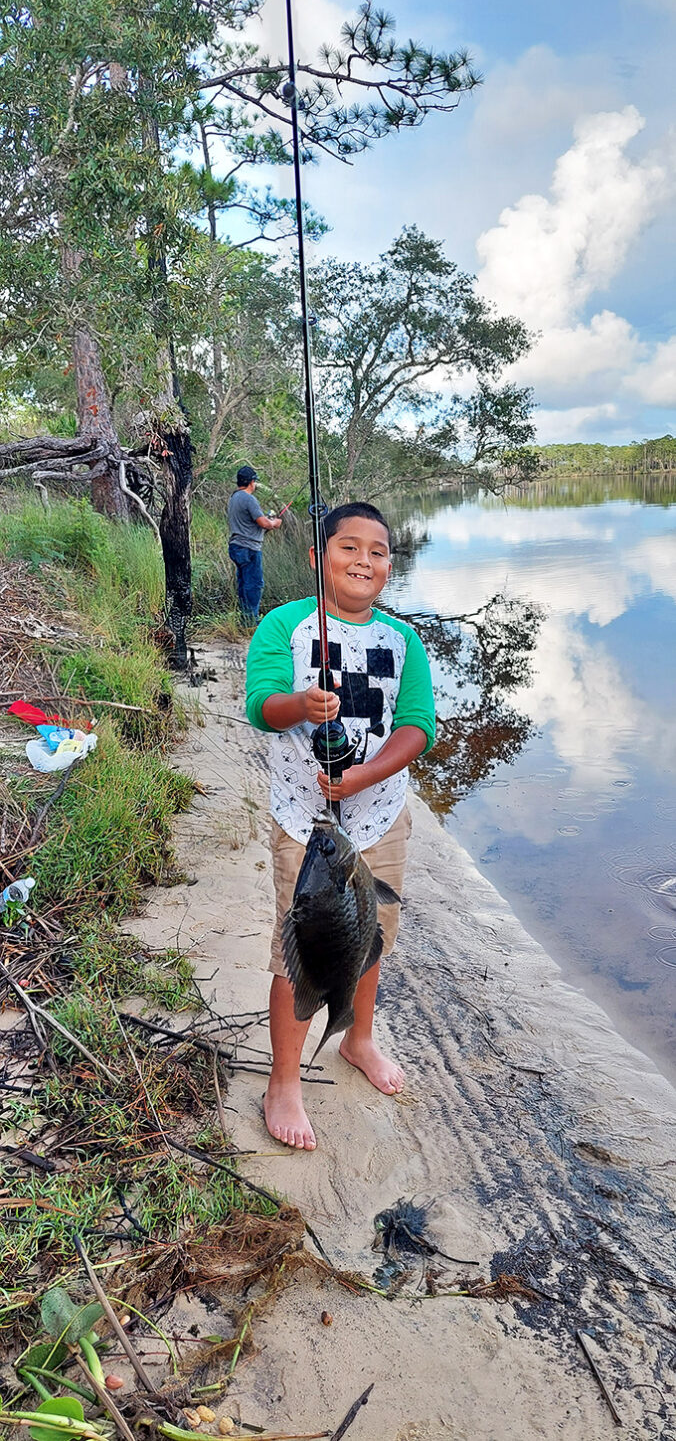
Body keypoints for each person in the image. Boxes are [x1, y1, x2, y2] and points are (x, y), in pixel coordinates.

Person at [245, 501, 435, 1150]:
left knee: (370, 936)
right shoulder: (285, 626)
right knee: (296, 949)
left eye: (377, 551)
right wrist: (298, 703)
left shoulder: (403, 640)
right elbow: (260, 706)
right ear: (316, 558)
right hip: (306, 823)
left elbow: (418, 724)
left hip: (380, 815)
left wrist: (365, 775)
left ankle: (357, 1038)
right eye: (348, 547)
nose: (364, 560)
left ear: (389, 564)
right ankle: (284, 1081)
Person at [227, 465, 281, 624]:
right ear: (251, 482)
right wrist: (275, 522)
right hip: (249, 549)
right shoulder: (248, 498)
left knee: (244, 584)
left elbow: (249, 524)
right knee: (254, 584)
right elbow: (264, 523)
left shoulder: (234, 498)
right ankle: (251, 621)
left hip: (237, 546)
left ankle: (245, 619)